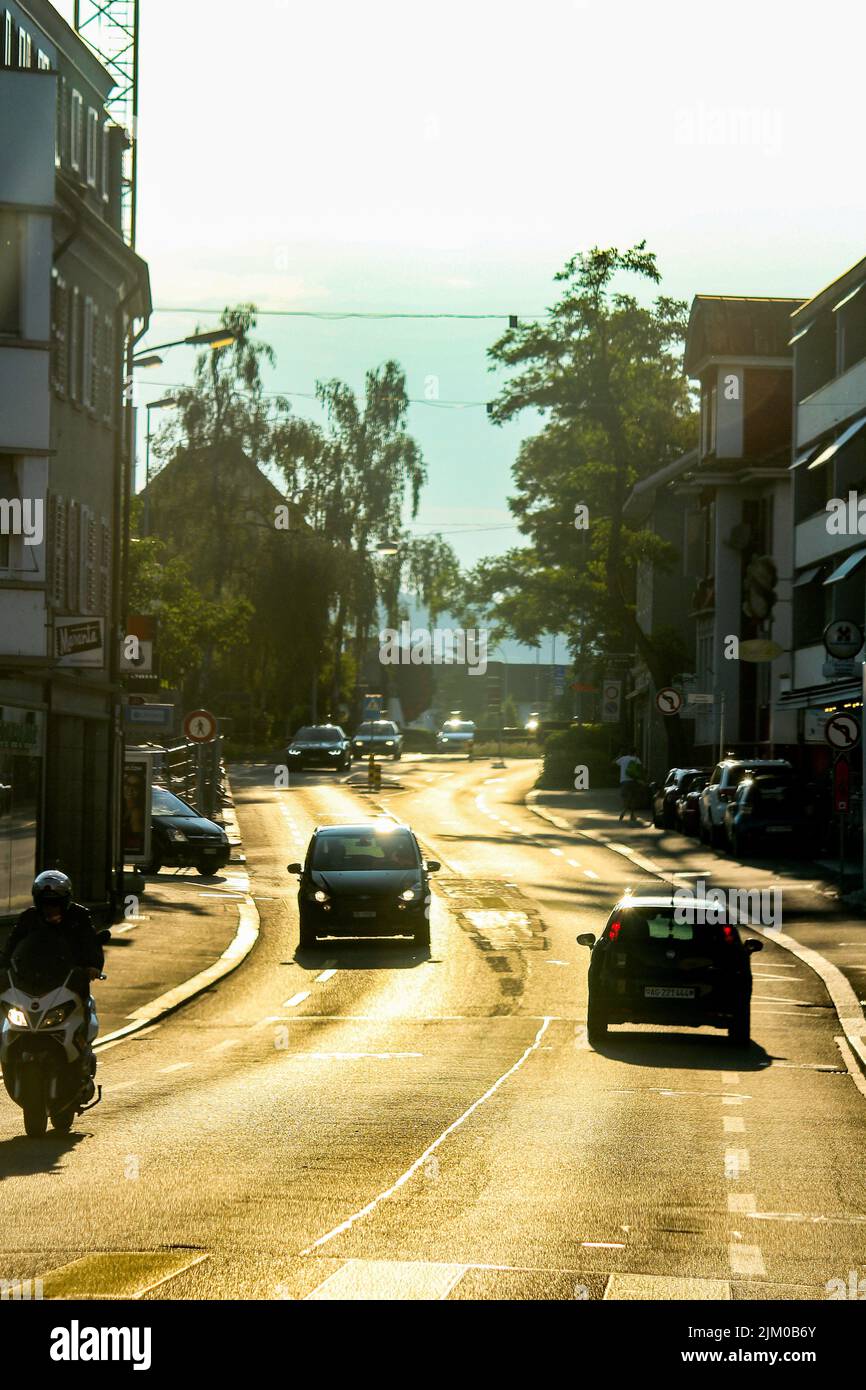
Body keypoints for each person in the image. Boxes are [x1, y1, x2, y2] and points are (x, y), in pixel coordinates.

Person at [0, 871, 104, 1098]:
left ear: (65, 901)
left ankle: (82, 1055)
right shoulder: (29, 918)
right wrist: (4, 966)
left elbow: (91, 944)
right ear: (37, 901)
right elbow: (12, 947)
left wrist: (93, 966)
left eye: (55, 903)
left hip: (67, 984)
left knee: (83, 1011)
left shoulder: (79, 917)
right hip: (32, 984)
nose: (50, 908)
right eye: (45, 903)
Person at [613, 748, 644, 823]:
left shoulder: (623, 759)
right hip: (633, 781)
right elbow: (640, 769)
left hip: (624, 781)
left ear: (628, 752)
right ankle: (632, 814)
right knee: (633, 798)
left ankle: (624, 809)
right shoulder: (636, 759)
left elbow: (613, 763)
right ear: (635, 752)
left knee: (625, 797)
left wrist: (619, 756)